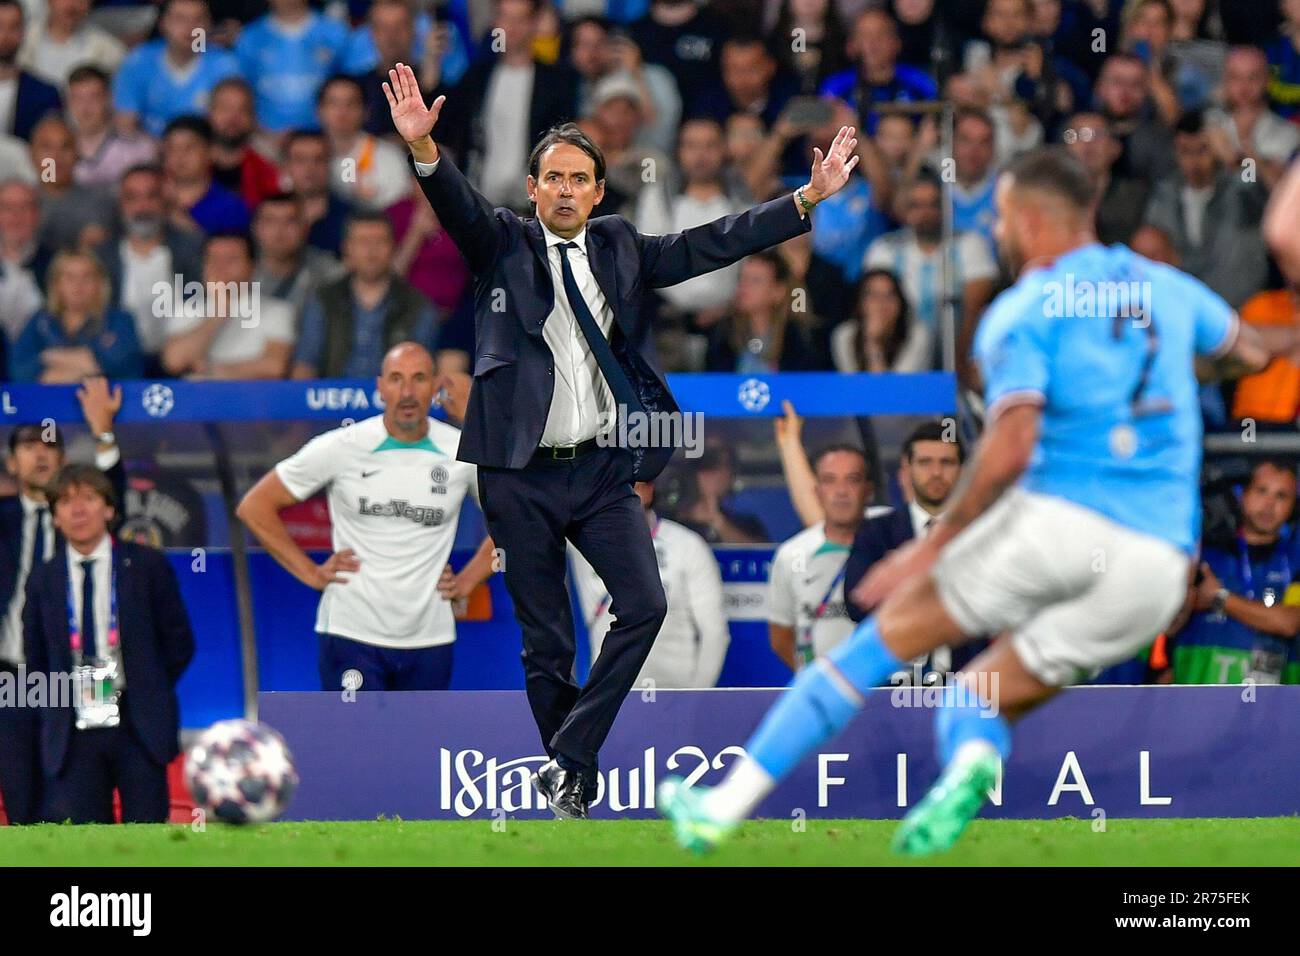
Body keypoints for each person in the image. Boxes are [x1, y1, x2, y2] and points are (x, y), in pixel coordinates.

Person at [658, 147, 1280, 856]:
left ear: (1028, 216)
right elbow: (1252, 354)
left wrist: (930, 545)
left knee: (873, 647)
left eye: (1006, 217)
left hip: (1063, 522)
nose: (1001, 234)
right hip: (1158, 568)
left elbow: (1013, 442)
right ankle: (972, 765)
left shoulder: (1024, 308)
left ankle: (722, 807)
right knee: (977, 694)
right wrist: (1184, 354)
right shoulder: (1168, 289)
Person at [385, 59, 858, 819]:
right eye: (554, 179)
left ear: (599, 192)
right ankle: (568, 788)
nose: (567, 190)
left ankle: (570, 755)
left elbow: (715, 241)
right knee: (546, 645)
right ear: (533, 190)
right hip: (516, 473)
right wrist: (425, 151)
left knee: (643, 603)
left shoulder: (619, 247)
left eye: (580, 178)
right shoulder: (501, 245)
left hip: (603, 471)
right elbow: (458, 206)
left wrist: (805, 199)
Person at [237, 342, 493, 692]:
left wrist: (468, 581)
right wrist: (311, 573)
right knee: (354, 746)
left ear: (436, 387)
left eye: (419, 379)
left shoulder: (461, 450)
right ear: (380, 387)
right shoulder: (343, 445)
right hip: (350, 633)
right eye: (396, 379)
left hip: (431, 636)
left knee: (419, 748)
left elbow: (516, 522)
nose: (406, 392)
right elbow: (254, 505)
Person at [25, 464, 194, 824]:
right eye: (66, 502)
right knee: (88, 845)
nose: (78, 510)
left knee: (148, 839)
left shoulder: (146, 565)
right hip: (72, 731)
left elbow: (179, 642)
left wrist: (148, 685)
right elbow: (36, 657)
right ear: (55, 516)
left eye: (89, 498)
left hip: (138, 724)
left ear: (109, 509)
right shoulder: (44, 578)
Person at [0, 378, 123, 825]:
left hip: (91, 670)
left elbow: (117, 502)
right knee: (21, 792)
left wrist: (104, 433)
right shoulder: (5, 520)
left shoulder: (86, 518)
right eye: (28, 446)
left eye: (49, 445)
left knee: (88, 793)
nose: (39, 453)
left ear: (63, 459)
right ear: (12, 463)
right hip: (12, 674)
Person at [844, 419, 978, 677]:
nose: (936, 472)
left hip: (973, 682)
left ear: (962, 470)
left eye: (946, 462)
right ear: (907, 470)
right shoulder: (876, 532)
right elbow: (858, 603)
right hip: (893, 684)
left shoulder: (982, 533)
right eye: (925, 462)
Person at [570, 480, 729, 690]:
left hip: (676, 693)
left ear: (649, 489)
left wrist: (696, 696)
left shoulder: (687, 545)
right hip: (608, 695)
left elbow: (714, 632)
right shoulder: (580, 541)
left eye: (631, 483)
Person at [1168, 459, 1300, 684]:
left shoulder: (1295, 559)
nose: (1269, 505)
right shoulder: (1203, 552)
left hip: (1270, 709)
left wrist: (1219, 598)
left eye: (1281, 496)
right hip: (1195, 701)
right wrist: (1188, 599)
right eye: (1261, 491)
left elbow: (1289, 622)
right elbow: (1169, 625)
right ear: (1242, 495)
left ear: (1292, 506)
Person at [291, 212, 438, 378]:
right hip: (333, 399)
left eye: (379, 241)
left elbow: (424, 372)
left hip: (395, 399)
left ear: (393, 246)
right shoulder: (325, 299)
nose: (371, 250)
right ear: (347, 248)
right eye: (362, 242)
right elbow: (305, 365)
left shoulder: (417, 305)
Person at [767, 444, 872, 672]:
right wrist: (813, 679)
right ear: (817, 491)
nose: (841, 491)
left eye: (852, 479)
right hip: (823, 694)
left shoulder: (894, 544)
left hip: (885, 692)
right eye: (829, 480)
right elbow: (781, 636)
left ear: (868, 489)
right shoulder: (791, 555)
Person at [94, 164, 204, 361]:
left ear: (164, 201)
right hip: (118, 364)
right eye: (132, 198)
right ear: (121, 204)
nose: (142, 208)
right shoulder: (101, 256)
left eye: (151, 196)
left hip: (184, 359)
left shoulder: (192, 250)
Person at [161, 231, 295, 380]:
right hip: (198, 400)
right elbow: (173, 361)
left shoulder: (276, 310)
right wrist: (220, 312)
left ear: (252, 266)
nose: (220, 267)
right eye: (213, 259)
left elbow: (274, 367)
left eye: (231, 260)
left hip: (252, 398)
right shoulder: (186, 309)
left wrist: (210, 370)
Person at [112, 0, 241, 138]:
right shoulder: (138, 61)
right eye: (180, 19)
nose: (190, 27)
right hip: (149, 152)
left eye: (198, 19)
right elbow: (125, 125)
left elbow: (230, 128)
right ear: (162, 24)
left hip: (207, 152)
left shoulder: (225, 65)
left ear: (208, 25)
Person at [10, 250, 144, 382]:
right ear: (57, 285)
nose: (78, 285)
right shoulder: (40, 321)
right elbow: (19, 370)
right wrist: (84, 369)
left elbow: (121, 366)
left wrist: (49, 356)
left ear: (99, 283)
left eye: (87, 277)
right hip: (48, 401)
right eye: (69, 277)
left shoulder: (119, 320)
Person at [234, 0, 348, 134]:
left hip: (326, 139)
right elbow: (242, 91)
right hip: (265, 139)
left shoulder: (336, 34)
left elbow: (349, 90)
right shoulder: (249, 38)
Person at [830, 268, 932, 373]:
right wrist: (870, 340)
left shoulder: (918, 335)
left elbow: (893, 387)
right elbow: (854, 385)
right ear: (860, 303)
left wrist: (873, 344)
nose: (882, 303)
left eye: (890, 295)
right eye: (874, 296)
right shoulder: (845, 335)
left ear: (900, 302)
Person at [0, 0, 61, 142]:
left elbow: (50, 157)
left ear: (24, 32)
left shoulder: (45, 95)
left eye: (14, 27)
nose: (4, 36)